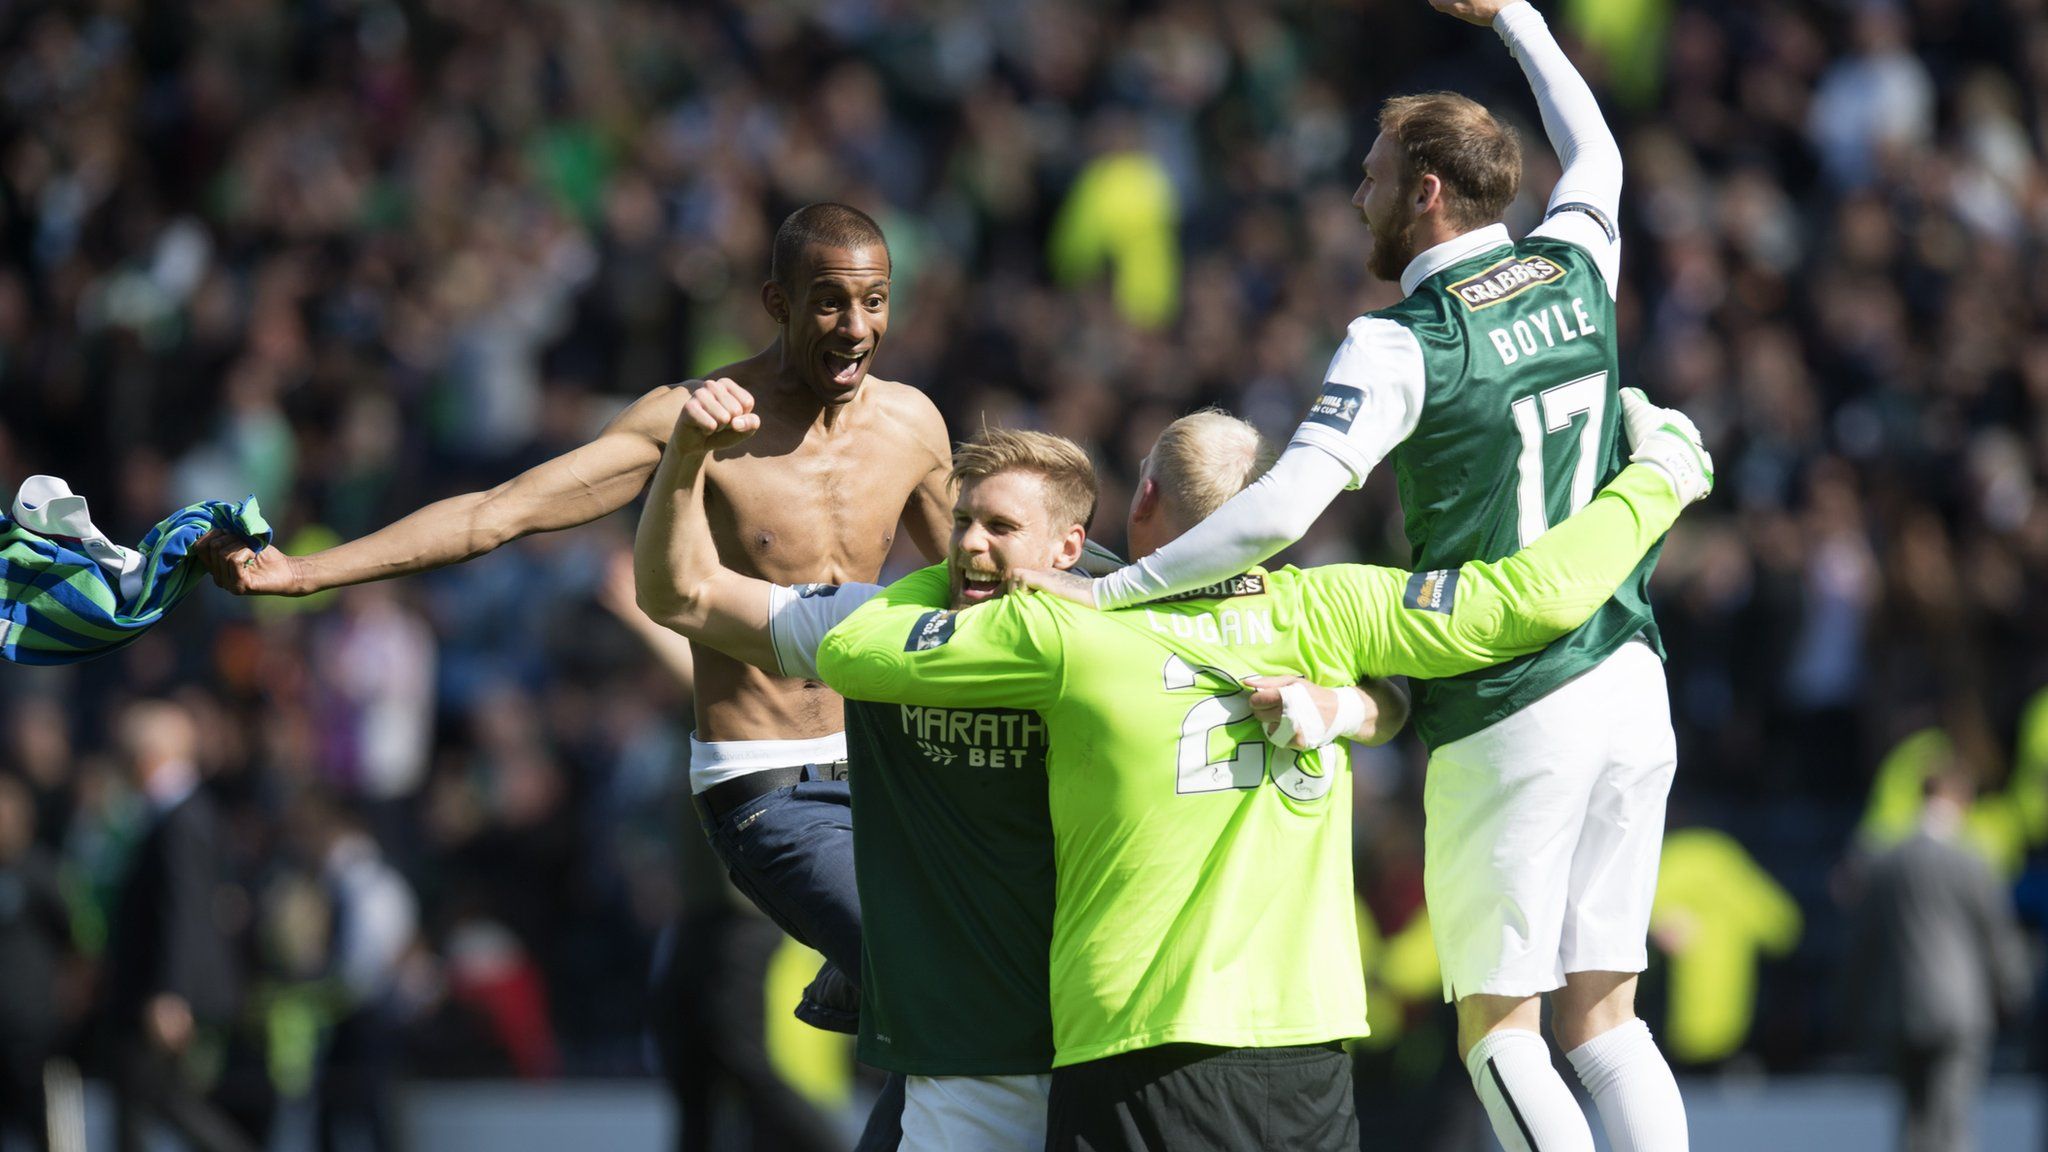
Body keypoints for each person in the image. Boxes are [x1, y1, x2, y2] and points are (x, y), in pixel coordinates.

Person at [640, 377, 1711, 1150]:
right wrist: (1658, 476)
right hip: (1304, 1037)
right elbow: (1519, 602)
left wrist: (968, 568)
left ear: (1133, 508)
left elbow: (712, 606)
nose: (971, 545)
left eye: (989, 527)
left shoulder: (1061, 634)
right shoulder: (1331, 606)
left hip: (1135, 1034)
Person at [1021, 3, 1696, 1149]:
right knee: (1607, 1021)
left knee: (1502, 1033)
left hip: (1507, 700)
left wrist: (1121, 591)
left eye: (1375, 174)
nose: (1356, 197)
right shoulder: (1579, 261)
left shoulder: (1398, 340)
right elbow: (1599, 152)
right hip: (1630, 675)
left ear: (1425, 191)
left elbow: (1279, 509)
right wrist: (1520, 19)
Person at [196, 203, 954, 1031]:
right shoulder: (696, 416)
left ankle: (862, 978)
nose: (855, 326)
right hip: (764, 781)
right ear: (776, 302)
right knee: (929, 979)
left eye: (874, 301)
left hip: (882, 769)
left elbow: (981, 587)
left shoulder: (913, 425)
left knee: (952, 990)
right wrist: (304, 572)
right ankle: (868, 970)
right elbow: (498, 512)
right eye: (830, 301)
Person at [102, 700, 260, 1152]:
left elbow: (185, 909)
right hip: (151, 988)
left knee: (162, 1099)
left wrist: (173, 992)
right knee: (150, 1099)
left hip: (160, 992)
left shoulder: (181, 819)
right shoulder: (179, 814)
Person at [1847, 771, 2031, 1152]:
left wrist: (1851, 1005)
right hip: (1960, 1008)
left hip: (1898, 1007)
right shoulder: (1973, 860)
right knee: (1951, 1120)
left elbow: (1864, 943)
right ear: (1962, 801)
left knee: (1912, 1121)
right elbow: (1996, 935)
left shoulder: (1885, 862)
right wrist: (2014, 991)